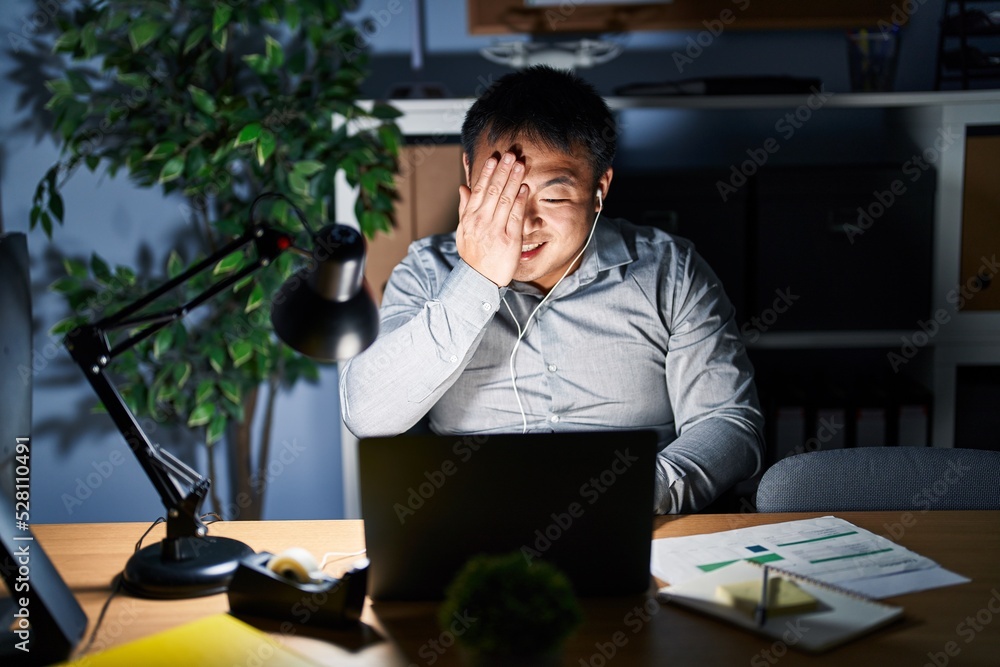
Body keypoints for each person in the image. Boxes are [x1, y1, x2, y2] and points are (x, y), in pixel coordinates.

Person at [339, 66, 764, 513]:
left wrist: (637, 494)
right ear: (468, 170)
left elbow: (730, 424)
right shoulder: (427, 270)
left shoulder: (670, 271)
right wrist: (477, 277)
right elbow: (368, 416)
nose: (522, 223)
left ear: (599, 189)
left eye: (554, 198)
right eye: (501, 193)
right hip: (477, 529)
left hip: (641, 520)